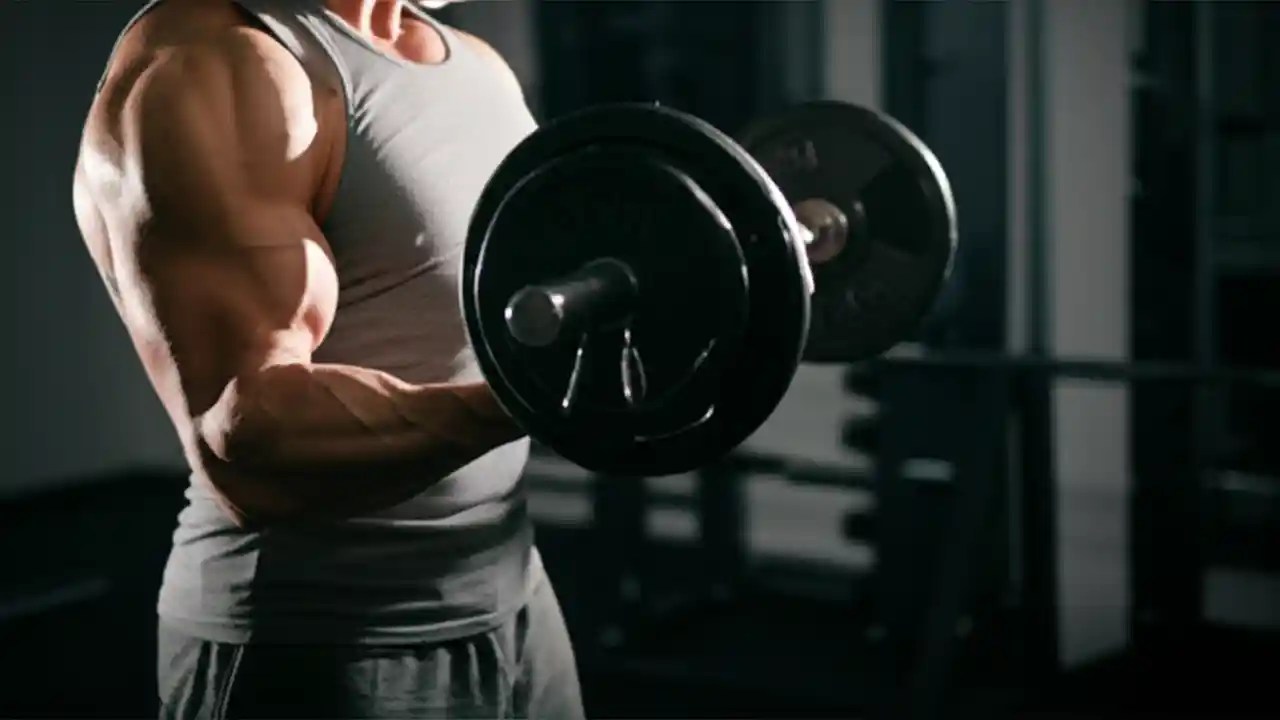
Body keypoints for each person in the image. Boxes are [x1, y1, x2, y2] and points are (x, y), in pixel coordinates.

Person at [72, 0, 584, 717]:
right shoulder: (219, 64)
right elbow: (251, 442)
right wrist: (525, 399)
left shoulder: (475, 67)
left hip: (516, 599)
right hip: (322, 640)